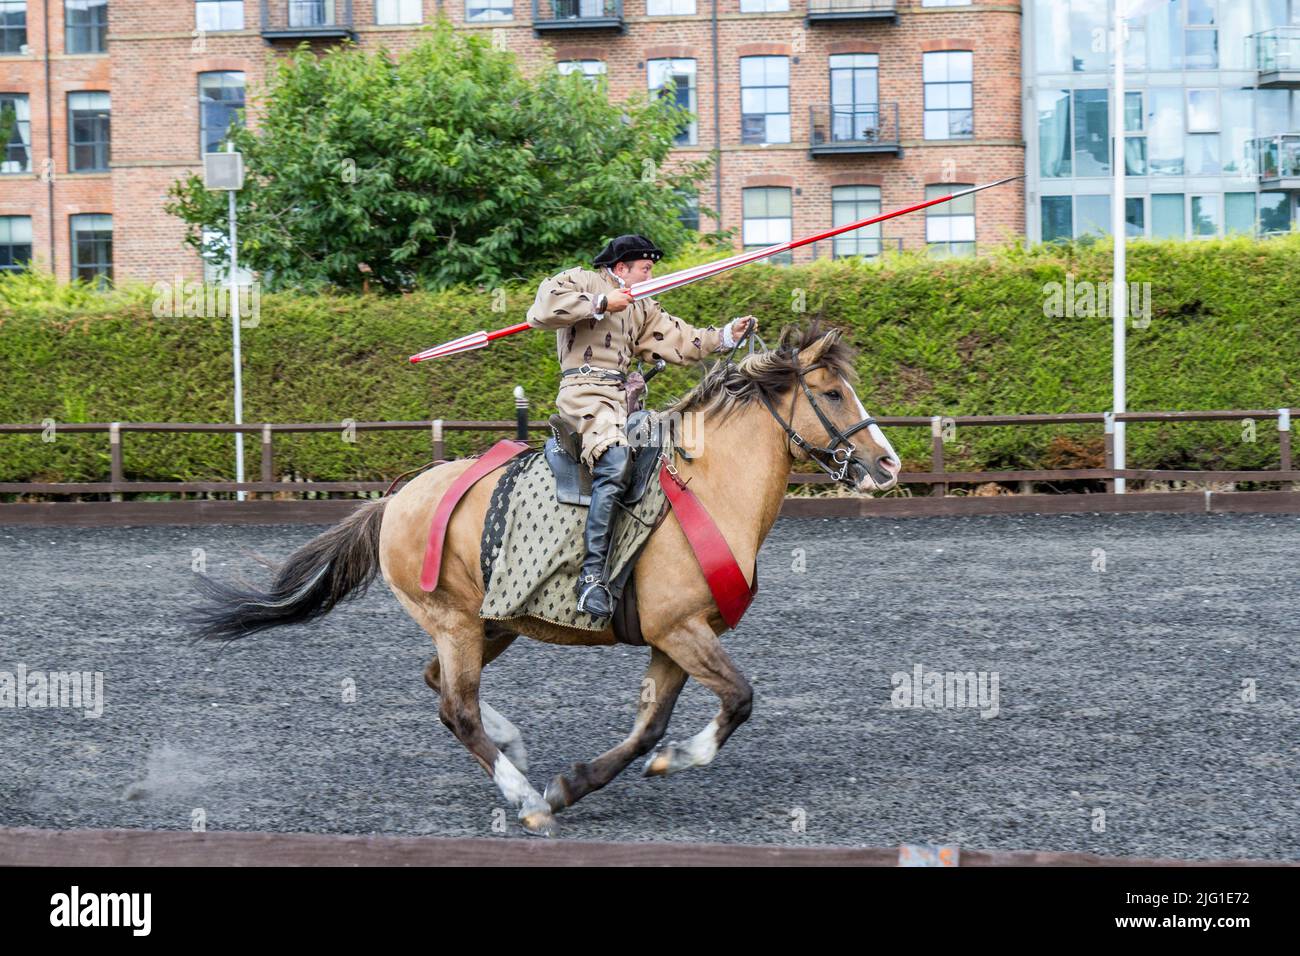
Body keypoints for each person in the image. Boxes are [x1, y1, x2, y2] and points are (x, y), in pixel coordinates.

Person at [526, 234, 758, 616]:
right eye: (645, 269)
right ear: (620, 268)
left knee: (679, 448)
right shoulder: (581, 281)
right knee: (615, 462)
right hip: (583, 396)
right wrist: (601, 302)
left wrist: (726, 335)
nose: (651, 276)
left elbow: (682, 340)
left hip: (624, 400)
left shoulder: (642, 306)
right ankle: (591, 580)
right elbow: (541, 309)